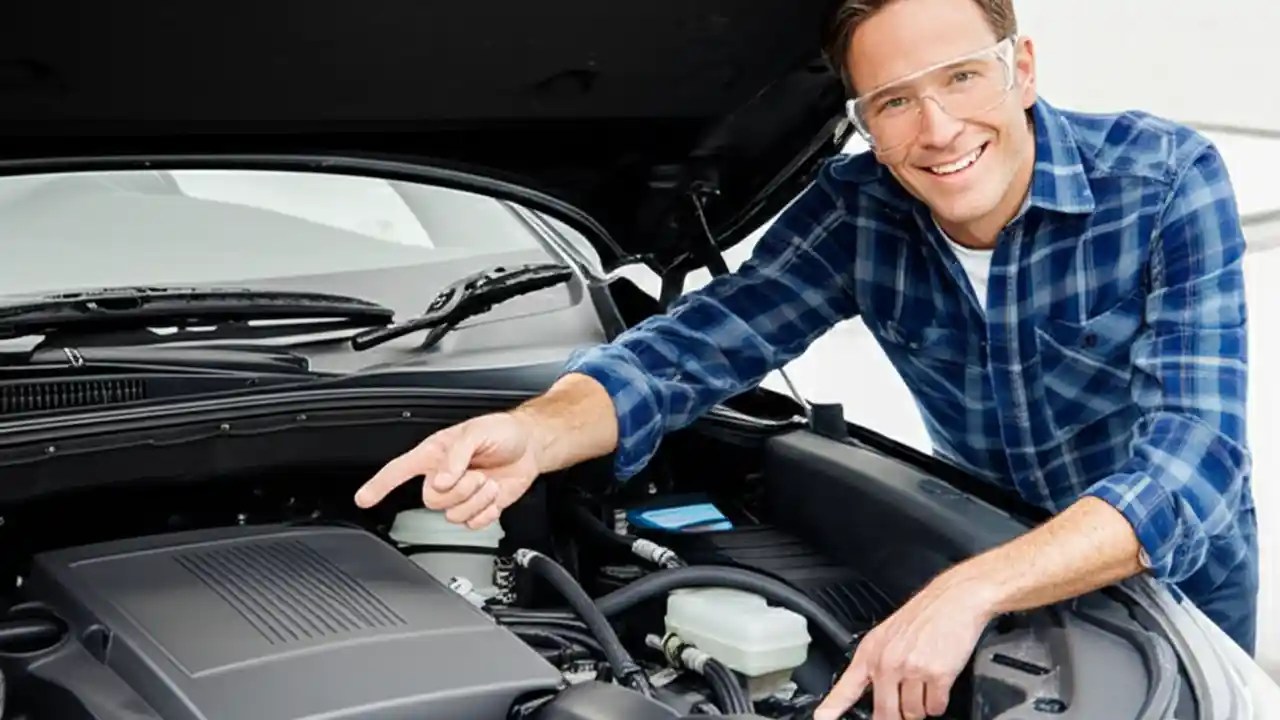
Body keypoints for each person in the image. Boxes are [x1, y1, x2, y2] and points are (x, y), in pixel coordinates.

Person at [354, 0, 1258, 717]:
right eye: (895, 101)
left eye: (962, 77)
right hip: (988, 544)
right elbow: (694, 347)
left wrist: (965, 591)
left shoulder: (1162, 180)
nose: (938, 129)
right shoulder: (860, 209)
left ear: (1021, 66)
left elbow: (1198, 462)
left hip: (1175, 585)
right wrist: (535, 433)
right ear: (862, 117)